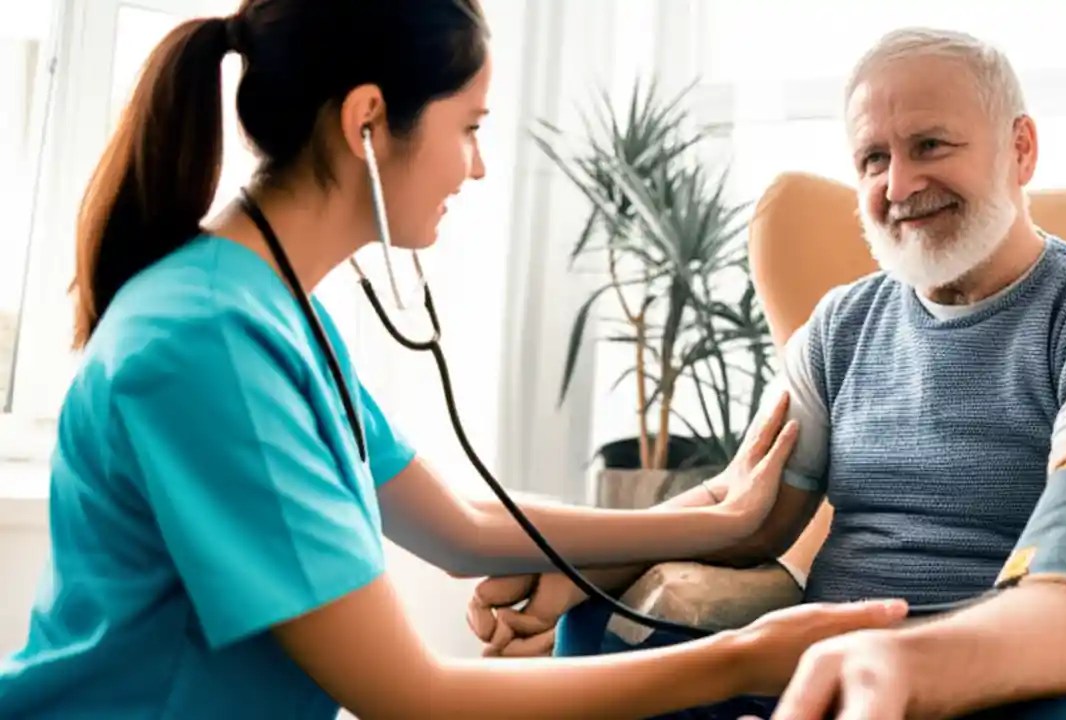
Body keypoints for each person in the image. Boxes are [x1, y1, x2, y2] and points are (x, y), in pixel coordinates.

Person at [0, 2, 918, 718]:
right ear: (368, 123)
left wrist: (714, 522)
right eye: (469, 127)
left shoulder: (267, 310)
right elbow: (411, 697)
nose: (475, 167)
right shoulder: (207, 345)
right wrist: (744, 658)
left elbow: (461, 528)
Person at [467, 27, 1066, 720]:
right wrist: (578, 568)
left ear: (1021, 148)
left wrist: (893, 667)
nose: (899, 184)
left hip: (1050, 683)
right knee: (599, 627)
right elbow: (747, 513)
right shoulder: (841, 328)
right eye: (873, 159)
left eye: (930, 145)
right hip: (831, 668)